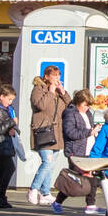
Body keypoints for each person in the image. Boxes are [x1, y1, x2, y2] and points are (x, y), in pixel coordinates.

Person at [50, 90, 102, 214]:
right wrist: (89, 132)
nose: (87, 108)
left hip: (88, 150)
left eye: (88, 105)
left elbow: (88, 128)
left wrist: (95, 128)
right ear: (78, 102)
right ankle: (58, 201)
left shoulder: (87, 113)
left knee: (93, 178)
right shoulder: (70, 113)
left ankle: (90, 205)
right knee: (75, 181)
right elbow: (70, 133)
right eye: (85, 105)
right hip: (76, 152)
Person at [28, 65, 71, 206]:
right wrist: (51, 91)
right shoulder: (38, 89)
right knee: (47, 162)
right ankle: (33, 189)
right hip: (43, 131)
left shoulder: (59, 92)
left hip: (57, 133)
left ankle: (45, 193)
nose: (58, 78)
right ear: (46, 76)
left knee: (51, 164)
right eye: (54, 75)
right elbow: (41, 106)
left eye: (59, 75)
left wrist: (63, 92)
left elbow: (71, 107)